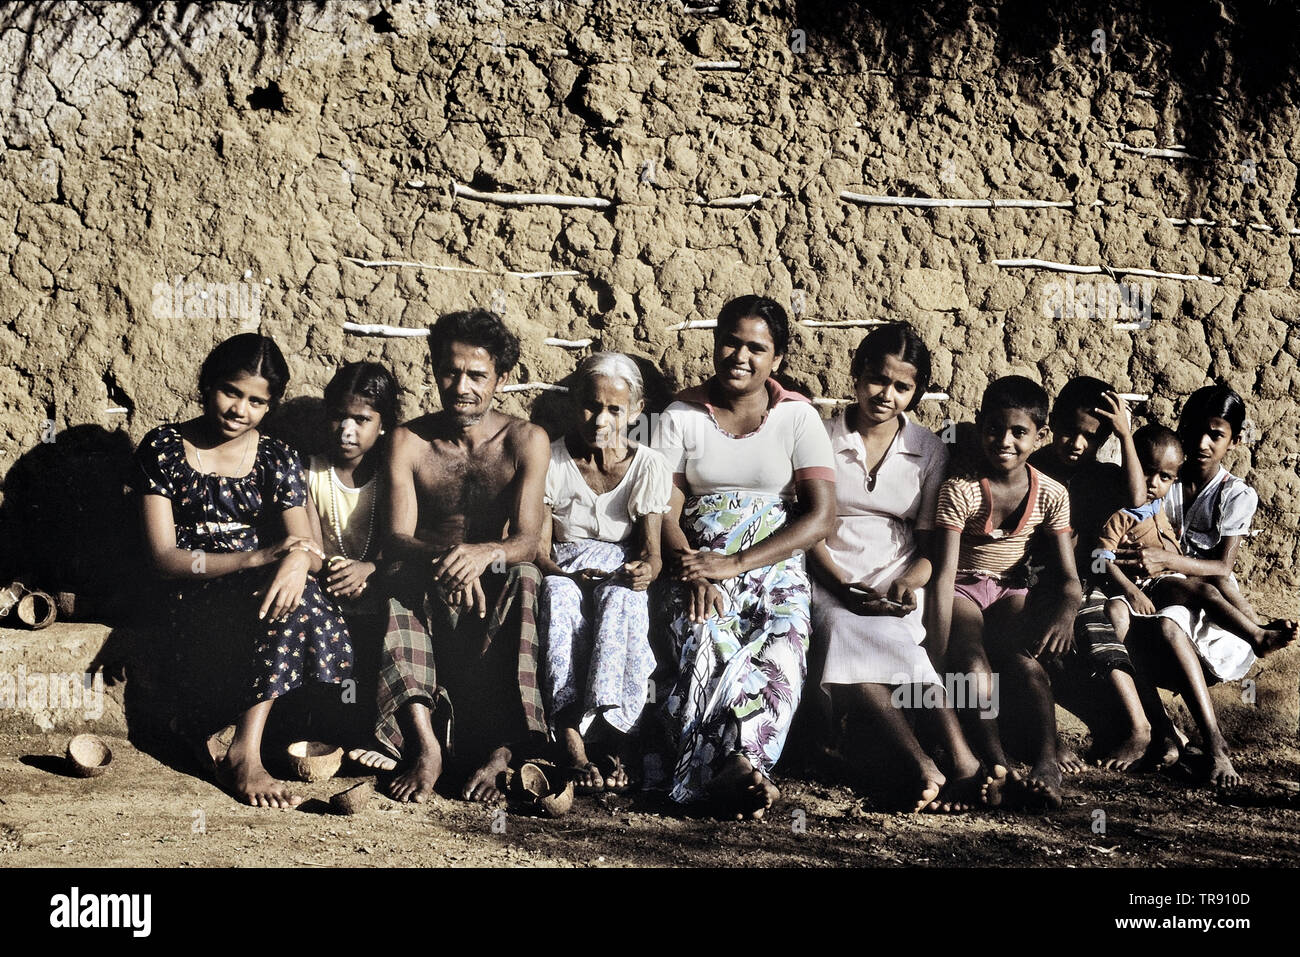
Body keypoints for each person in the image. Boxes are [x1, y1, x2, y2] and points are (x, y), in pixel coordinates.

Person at [133, 333, 351, 809]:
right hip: (191, 590)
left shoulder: (276, 457)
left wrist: (298, 560)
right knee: (285, 596)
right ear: (207, 384)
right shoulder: (165, 447)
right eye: (231, 392)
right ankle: (244, 758)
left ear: (270, 406)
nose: (239, 410)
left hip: (259, 588)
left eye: (256, 402)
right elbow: (163, 558)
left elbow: (309, 548)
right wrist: (256, 558)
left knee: (300, 595)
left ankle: (242, 748)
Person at [652, 295, 836, 819]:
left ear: (777, 357)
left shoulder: (797, 417)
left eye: (756, 348)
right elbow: (661, 508)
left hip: (774, 567)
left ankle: (737, 764)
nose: (740, 356)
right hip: (696, 565)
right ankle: (740, 770)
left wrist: (737, 564)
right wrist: (693, 569)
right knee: (705, 641)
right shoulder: (681, 415)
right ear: (716, 343)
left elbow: (821, 517)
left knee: (782, 647)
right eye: (731, 342)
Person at [808, 322, 989, 813]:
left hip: (897, 580)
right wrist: (841, 586)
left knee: (892, 635)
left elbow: (930, 549)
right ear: (856, 373)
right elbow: (808, 531)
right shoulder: (820, 437)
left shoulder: (927, 449)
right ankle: (929, 763)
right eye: (876, 379)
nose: (885, 395)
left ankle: (959, 761)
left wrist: (908, 584)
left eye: (901, 387)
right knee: (843, 628)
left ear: (916, 392)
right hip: (831, 576)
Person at [372, 309, 550, 804]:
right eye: (450, 373)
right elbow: (396, 537)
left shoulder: (525, 440)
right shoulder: (408, 442)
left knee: (525, 577)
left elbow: (528, 540)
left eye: (477, 375)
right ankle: (425, 746)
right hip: (427, 574)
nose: (462, 388)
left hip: (491, 579)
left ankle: (501, 751)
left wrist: (483, 554)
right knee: (395, 581)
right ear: (435, 370)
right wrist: (453, 560)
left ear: (502, 378)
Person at [1116, 384, 1297, 787]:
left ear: (1234, 440)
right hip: (1156, 589)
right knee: (1129, 626)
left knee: (1172, 622)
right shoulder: (1161, 478)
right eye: (1195, 430)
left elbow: (1222, 567)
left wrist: (1168, 559)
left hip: (1206, 607)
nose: (1202, 443)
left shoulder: (1235, 494)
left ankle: (1216, 744)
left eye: (1216, 435)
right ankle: (1166, 733)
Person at [930, 375, 1080, 809]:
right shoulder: (960, 489)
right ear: (979, 424)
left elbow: (1069, 576)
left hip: (1010, 589)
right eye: (994, 429)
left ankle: (1046, 763)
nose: (1005, 441)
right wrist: (936, 648)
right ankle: (997, 765)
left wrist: (1067, 611)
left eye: (1019, 432)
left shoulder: (1051, 494)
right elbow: (944, 574)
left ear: (1040, 436)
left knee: (1025, 660)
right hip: (961, 586)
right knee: (971, 659)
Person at [536, 352, 672, 793]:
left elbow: (652, 554)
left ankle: (615, 733)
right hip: (563, 565)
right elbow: (539, 549)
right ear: (575, 403)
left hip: (618, 565)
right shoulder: (552, 460)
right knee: (557, 596)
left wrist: (644, 572)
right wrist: (566, 576)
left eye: (615, 409)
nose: (601, 419)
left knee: (622, 599)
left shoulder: (648, 465)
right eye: (591, 405)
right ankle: (570, 735)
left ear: (635, 411)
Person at [1027, 376, 1150, 772]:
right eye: (1069, 431)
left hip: (1085, 582)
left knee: (1093, 623)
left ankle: (1141, 727)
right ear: (1052, 425)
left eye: (1092, 438)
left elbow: (1138, 500)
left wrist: (1126, 435)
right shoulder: (1034, 467)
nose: (1077, 444)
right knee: (1040, 646)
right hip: (1034, 582)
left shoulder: (1102, 476)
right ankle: (1053, 737)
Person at [301, 362, 399, 765]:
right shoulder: (310, 472)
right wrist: (335, 573)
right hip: (328, 586)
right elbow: (310, 546)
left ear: (384, 425)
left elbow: (401, 543)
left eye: (361, 419)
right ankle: (328, 736)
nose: (347, 429)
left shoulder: (392, 475)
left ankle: (378, 736)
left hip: (380, 584)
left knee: (382, 636)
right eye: (339, 416)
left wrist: (369, 570)